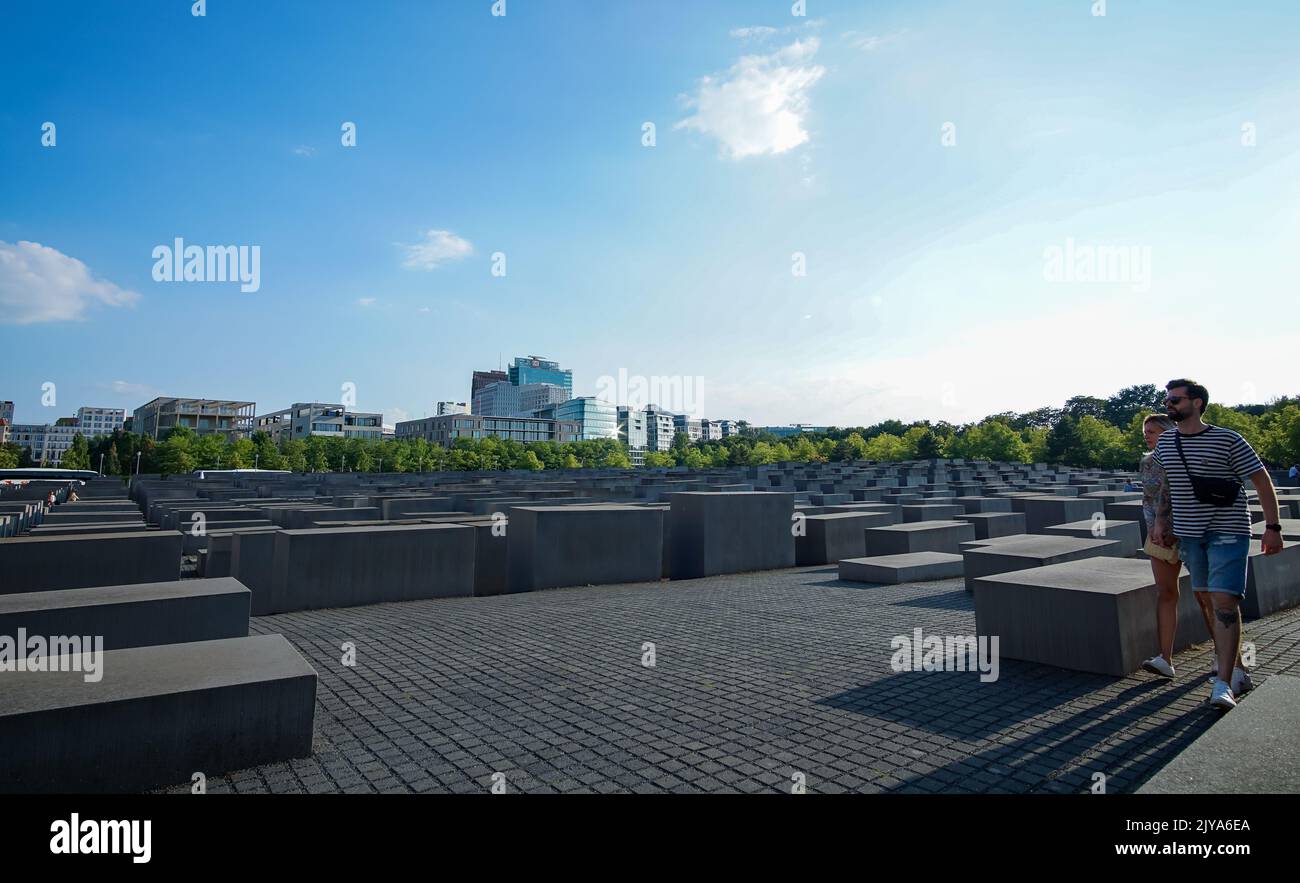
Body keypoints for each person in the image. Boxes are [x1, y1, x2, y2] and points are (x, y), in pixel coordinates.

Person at [1151, 379, 1284, 710]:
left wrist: (1273, 527)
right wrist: (1161, 522)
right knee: (1208, 601)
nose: (1169, 404)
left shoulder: (1228, 440)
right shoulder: (1166, 445)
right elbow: (1167, 487)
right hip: (1190, 535)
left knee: (1225, 602)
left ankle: (1223, 684)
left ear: (1196, 403)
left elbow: (1261, 481)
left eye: (1176, 400)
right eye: (1167, 399)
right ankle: (1237, 669)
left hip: (1229, 531)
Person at [1138, 415, 1188, 678]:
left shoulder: (1184, 456)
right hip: (1158, 535)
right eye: (1146, 431)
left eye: (1153, 431)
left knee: (1207, 597)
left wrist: (1172, 528)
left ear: (1168, 433)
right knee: (1166, 593)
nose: (1147, 435)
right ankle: (1165, 658)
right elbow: (1147, 500)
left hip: (1189, 531)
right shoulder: (1147, 462)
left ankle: (1229, 662)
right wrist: (1154, 531)